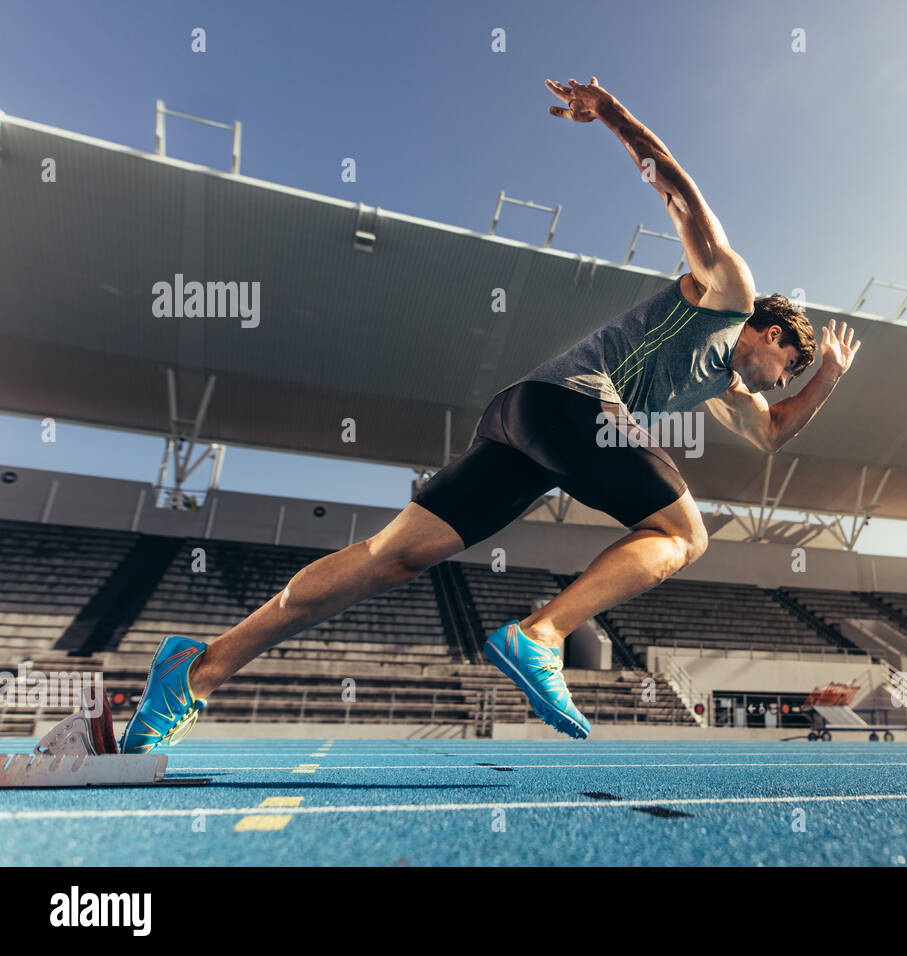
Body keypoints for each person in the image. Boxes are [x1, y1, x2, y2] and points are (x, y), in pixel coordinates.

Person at [120, 76, 860, 749]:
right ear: (770, 333)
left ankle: (194, 672)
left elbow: (773, 432)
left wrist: (826, 376)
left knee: (390, 558)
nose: (779, 380)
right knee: (682, 533)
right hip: (568, 405)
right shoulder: (727, 291)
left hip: (523, 426)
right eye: (789, 364)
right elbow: (678, 191)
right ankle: (542, 635)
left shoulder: (727, 385)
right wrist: (612, 115)